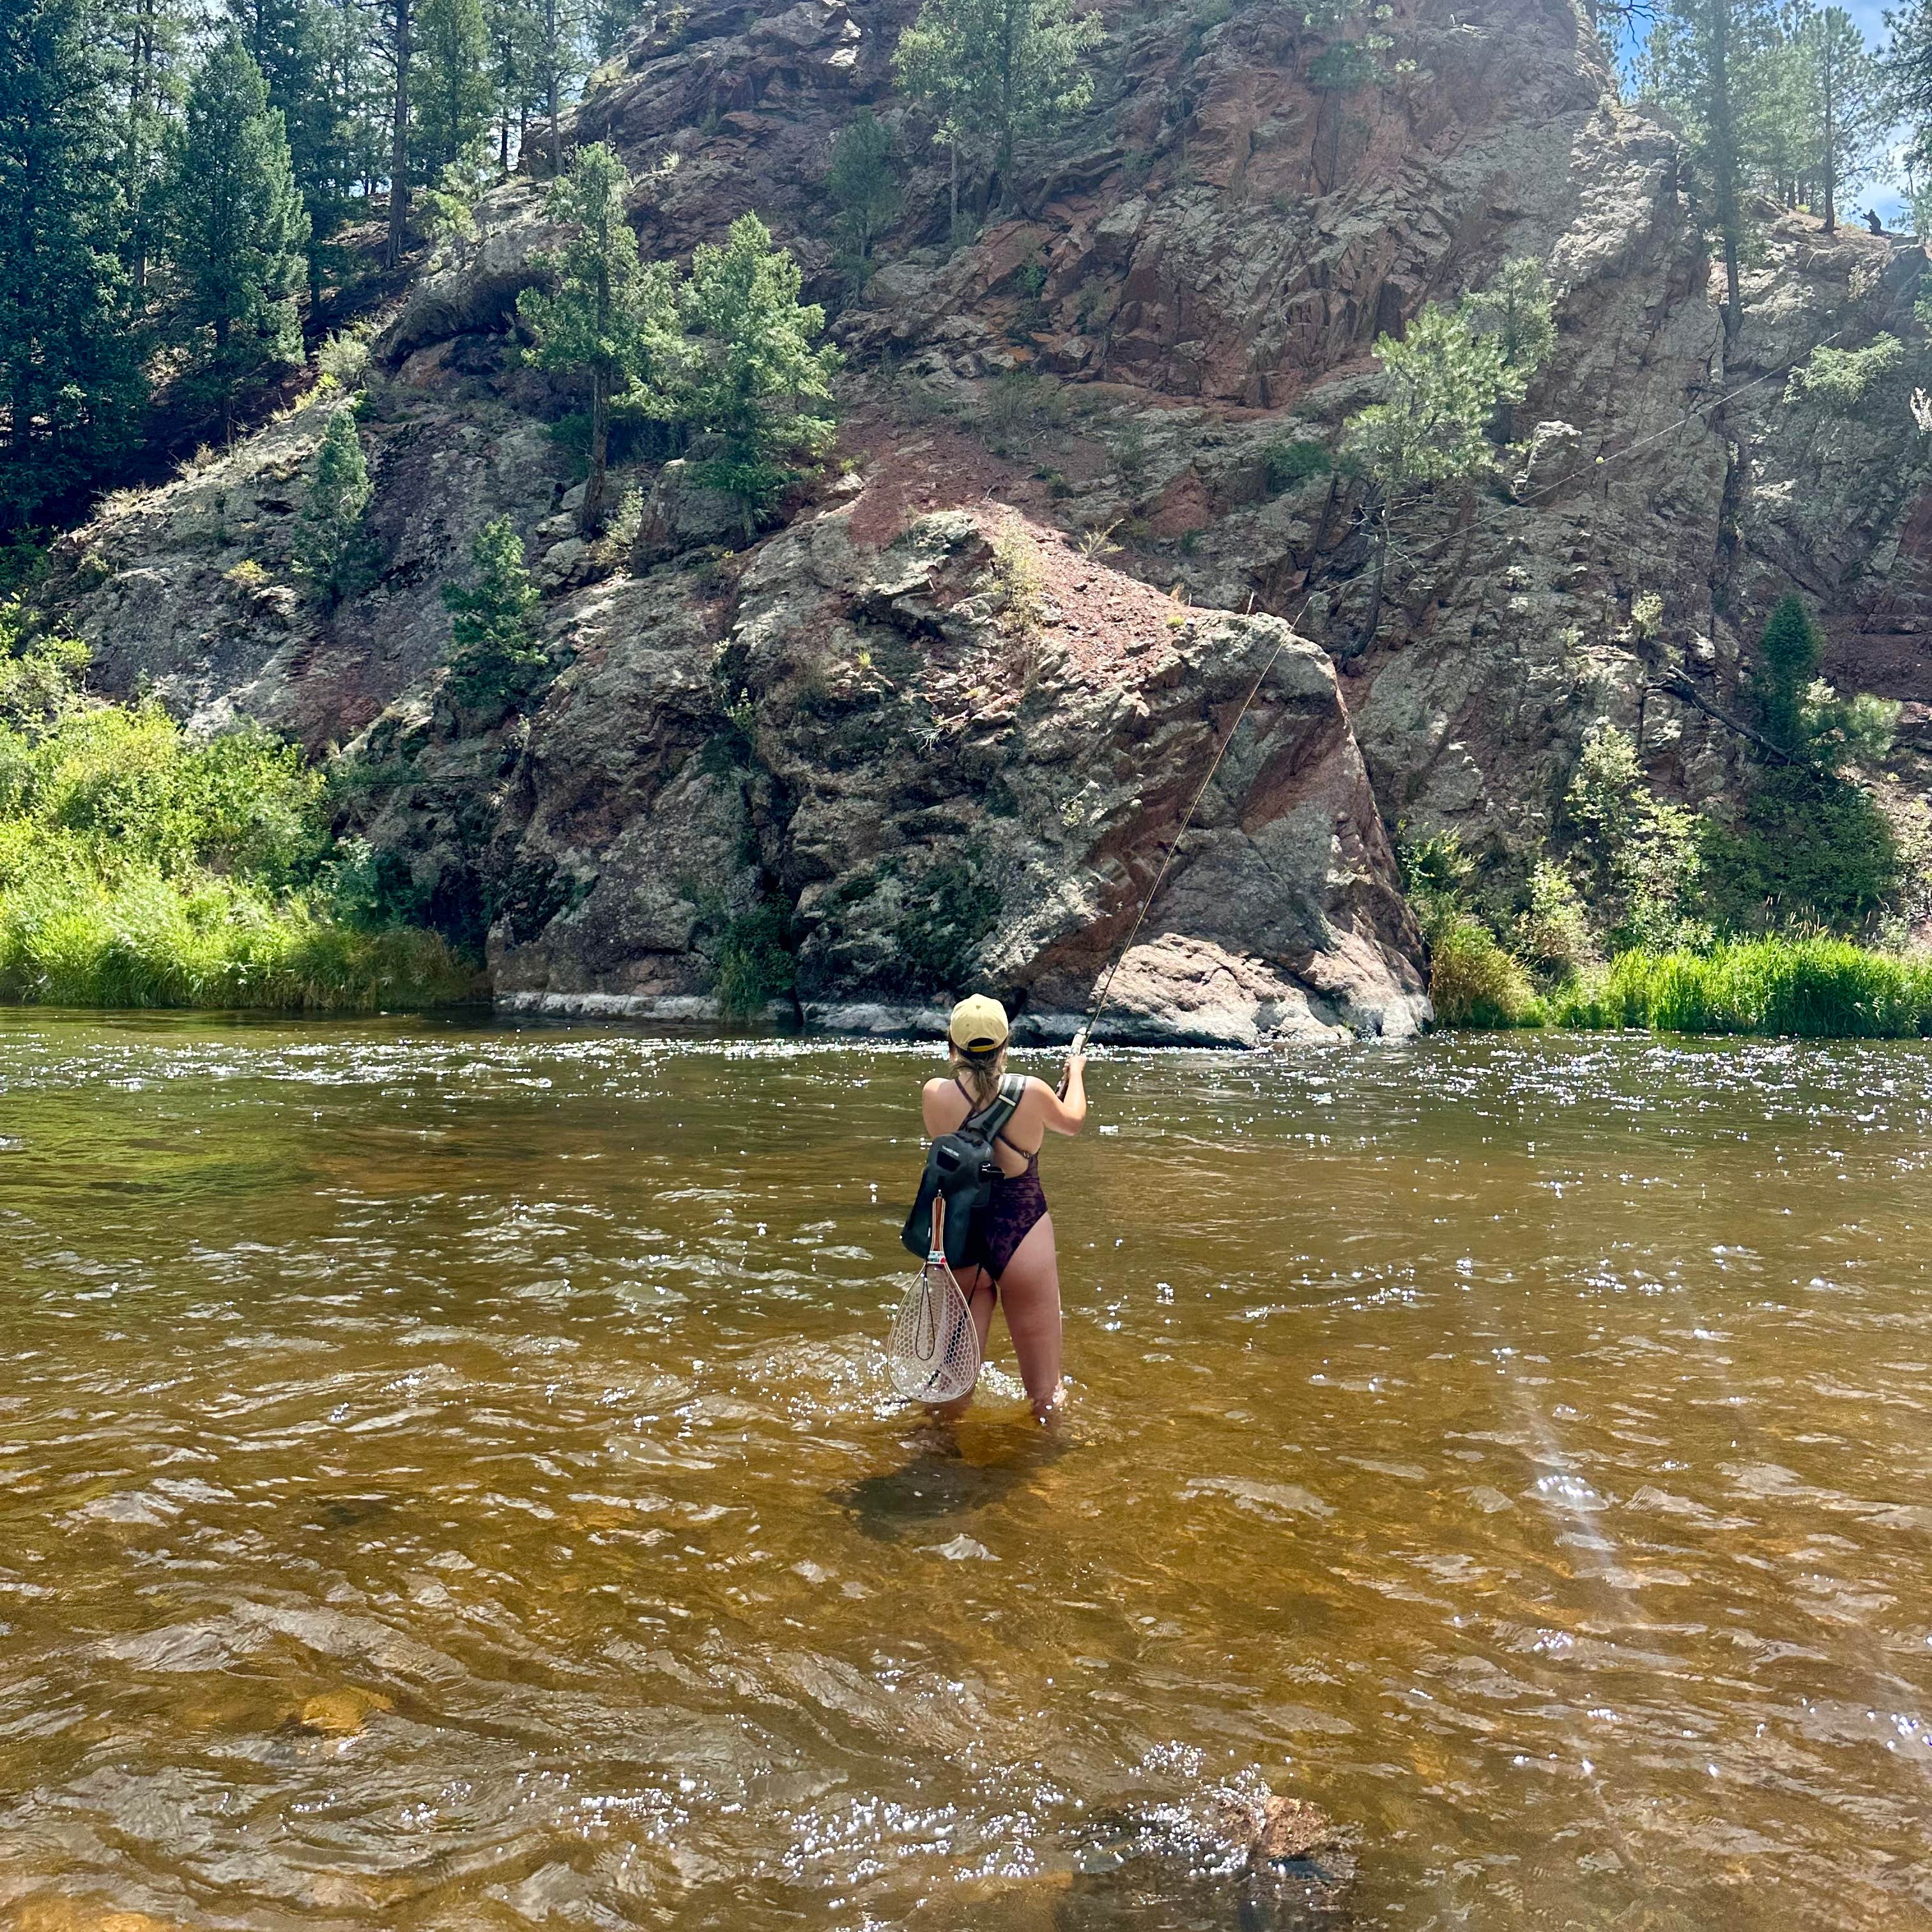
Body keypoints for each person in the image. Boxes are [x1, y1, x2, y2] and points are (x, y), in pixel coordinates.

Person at [921, 995, 1086, 1423]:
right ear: (1005, 1044)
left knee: (952, 1389)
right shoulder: (1032, 1091)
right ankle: (1048, 1479)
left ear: (952, 1046)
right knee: (1046, 1394)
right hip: (1023, 1228)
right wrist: (1076, 1075)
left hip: (961, 1234)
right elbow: (1071, 1122)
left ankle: (938, 1468)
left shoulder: (934, 1095)